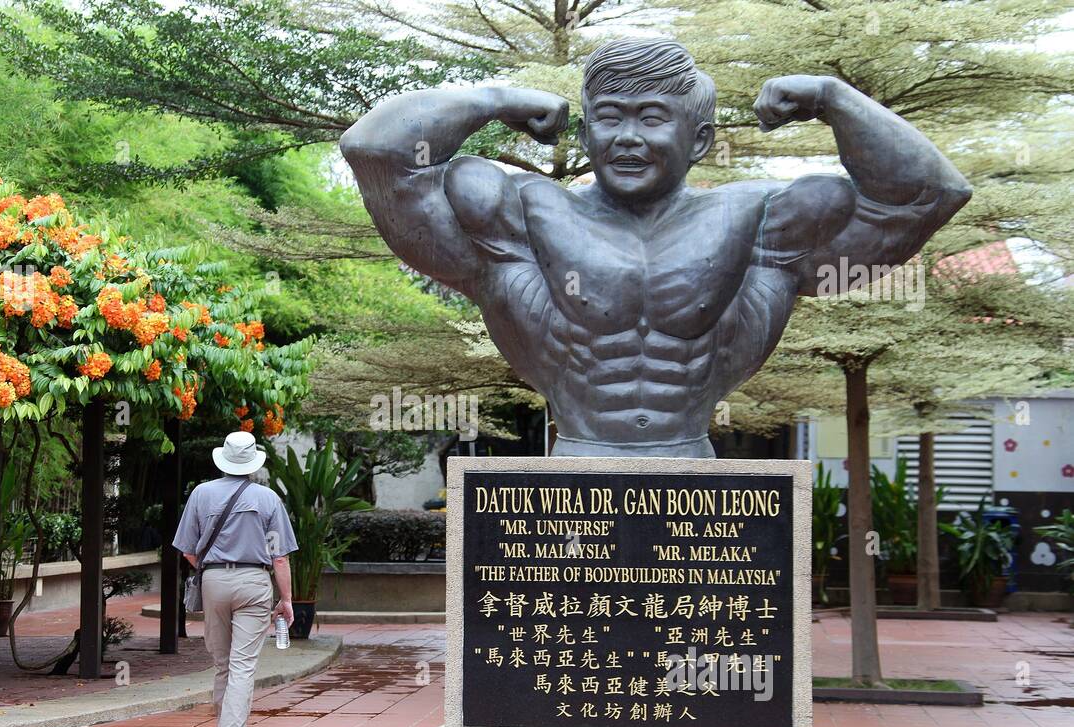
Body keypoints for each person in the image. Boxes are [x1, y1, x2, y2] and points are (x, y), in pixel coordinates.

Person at [339, 38, 971, 457]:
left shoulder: (765, 224)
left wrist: (835, 98)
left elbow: (926, 195)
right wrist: (493, 99)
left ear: (698, 140)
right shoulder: (520, 219)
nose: (627, 138)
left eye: (651, 117)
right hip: (574, 463)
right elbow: (377, 151)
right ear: (588, 129)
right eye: (609, 117)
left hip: (693, 464)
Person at [173, 430, 298, 727]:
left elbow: (187, 551)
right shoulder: (268, 499)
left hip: (213, 580)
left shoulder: (201, 494)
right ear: (252, 463)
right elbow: (280, 557)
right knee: (243, 664)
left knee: (222, 662)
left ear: (224, 459)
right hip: (255, 581)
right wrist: (286, 599)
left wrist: (213, 570)